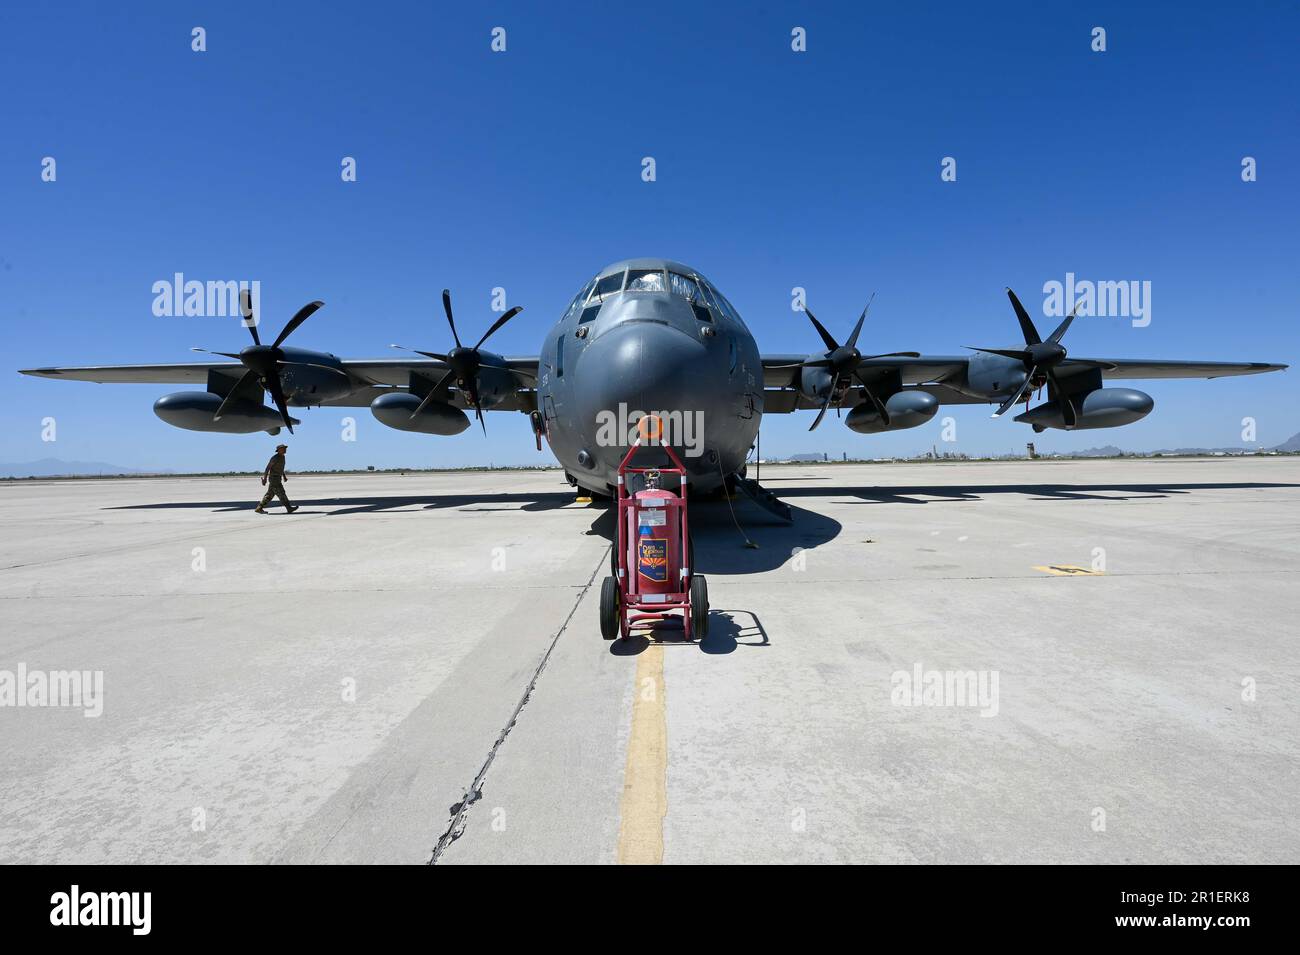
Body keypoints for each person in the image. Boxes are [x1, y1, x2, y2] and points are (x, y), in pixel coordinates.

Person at [255, 443, 298, 513]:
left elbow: (281, 468)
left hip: (278, 478)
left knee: (269, 495)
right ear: (279, 450)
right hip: (274, 478)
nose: (285, 449)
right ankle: (289, 508)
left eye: (285, 448)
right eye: (283, 448)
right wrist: (265, 479)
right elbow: (267, 468)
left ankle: (259, 508)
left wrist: (284, 476)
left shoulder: (282, 457)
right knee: (281, 493)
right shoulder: (275, 458)